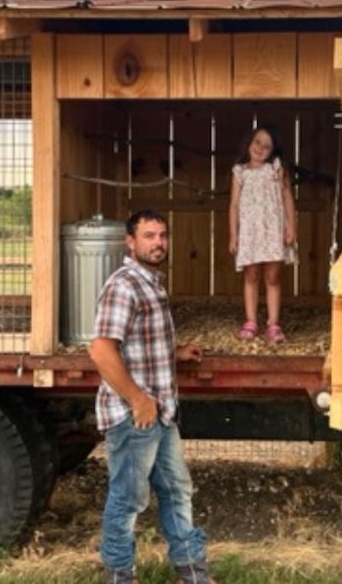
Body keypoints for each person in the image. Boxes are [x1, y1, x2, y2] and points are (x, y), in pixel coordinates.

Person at [89, 209, 212, 584]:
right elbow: (101, 350)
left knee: (177, 489)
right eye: (149, 236)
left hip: (161, 412)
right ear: (130, 242)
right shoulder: (124, 285)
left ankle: (192, 573)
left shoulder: (151, 284)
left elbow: (137, 344)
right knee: (128, 500)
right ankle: (120, 577)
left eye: (162, 235)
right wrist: (137, 399)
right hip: (135, 416)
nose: (158, 242)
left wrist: (177, 353)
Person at [227, 125, 297, 343]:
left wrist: (291, 227)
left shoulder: (276, 169)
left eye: (266, 146)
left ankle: (273, 325)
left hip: (273, 231)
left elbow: (287, 198)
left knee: (273, 277)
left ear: (272, 151)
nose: (260, 148)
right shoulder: (240, 172)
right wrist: (233, 235)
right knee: (251, 276)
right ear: (249, 142)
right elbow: (234, 205)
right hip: (250, 233)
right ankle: (251, 322)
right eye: (257, 142)